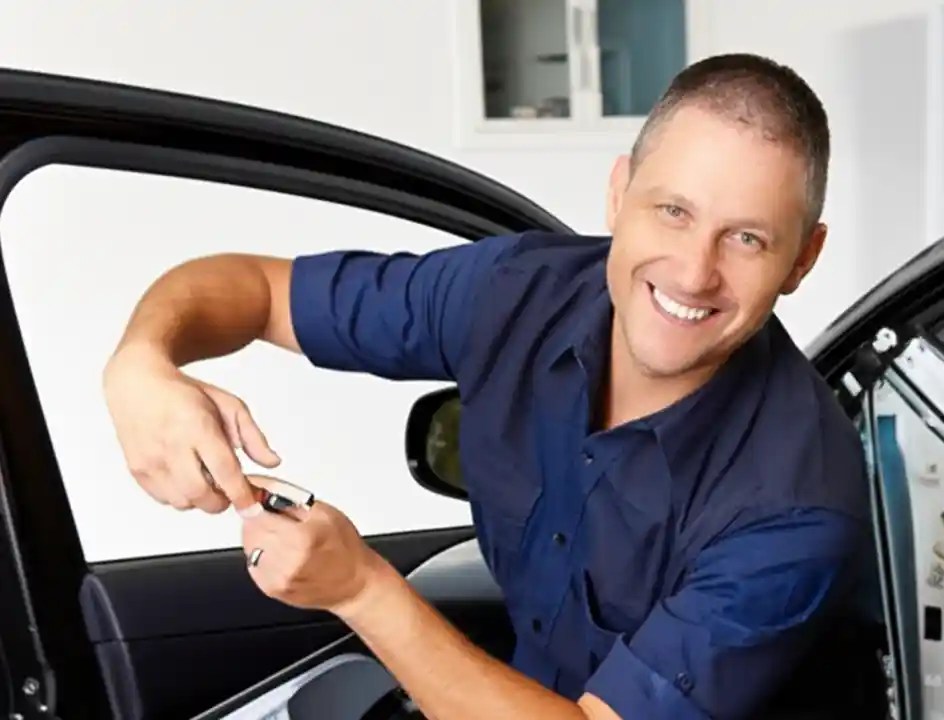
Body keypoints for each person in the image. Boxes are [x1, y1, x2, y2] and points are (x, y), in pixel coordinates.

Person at [101, 52, 877, 719]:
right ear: (619, 194)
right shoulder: (514, 292)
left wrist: (362, 587)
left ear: (802, 260)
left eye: (746, 239)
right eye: (672, 211)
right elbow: (257, 290)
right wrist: (141, 360)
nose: (694, 271)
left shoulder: (796, 507)